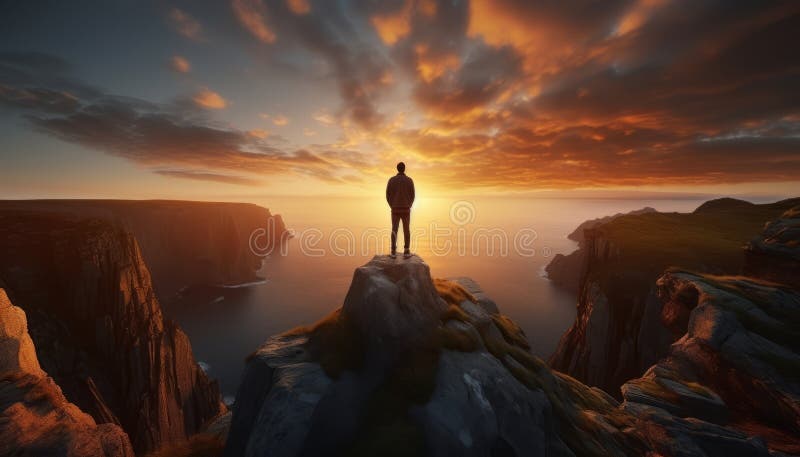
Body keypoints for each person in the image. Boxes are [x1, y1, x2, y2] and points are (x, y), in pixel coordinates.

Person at [385, 162, 415, 258]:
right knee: (407, 230)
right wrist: (409, 205)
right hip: (406, 209)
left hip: (395, 209)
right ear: (404, 169)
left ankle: (393, 251)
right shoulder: (409, 180)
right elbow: (413, 195)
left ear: (397, 169)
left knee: (394, 229)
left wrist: (392, 205)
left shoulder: (392, 180)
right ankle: (406, 250)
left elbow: (387, 194)